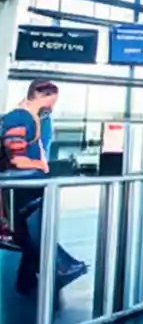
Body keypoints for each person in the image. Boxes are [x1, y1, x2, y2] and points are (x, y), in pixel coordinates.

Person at [0, 80, 87, 295]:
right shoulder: (19, 117)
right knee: (35, 234)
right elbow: (17, 159)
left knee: (31, 234)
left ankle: (28, 281)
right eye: (52, 100)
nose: (53, 105)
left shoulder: (29, 118)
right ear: (42, 96)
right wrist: (41, 165)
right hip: (25, 186)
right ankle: (60, 266)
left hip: (27, 185)